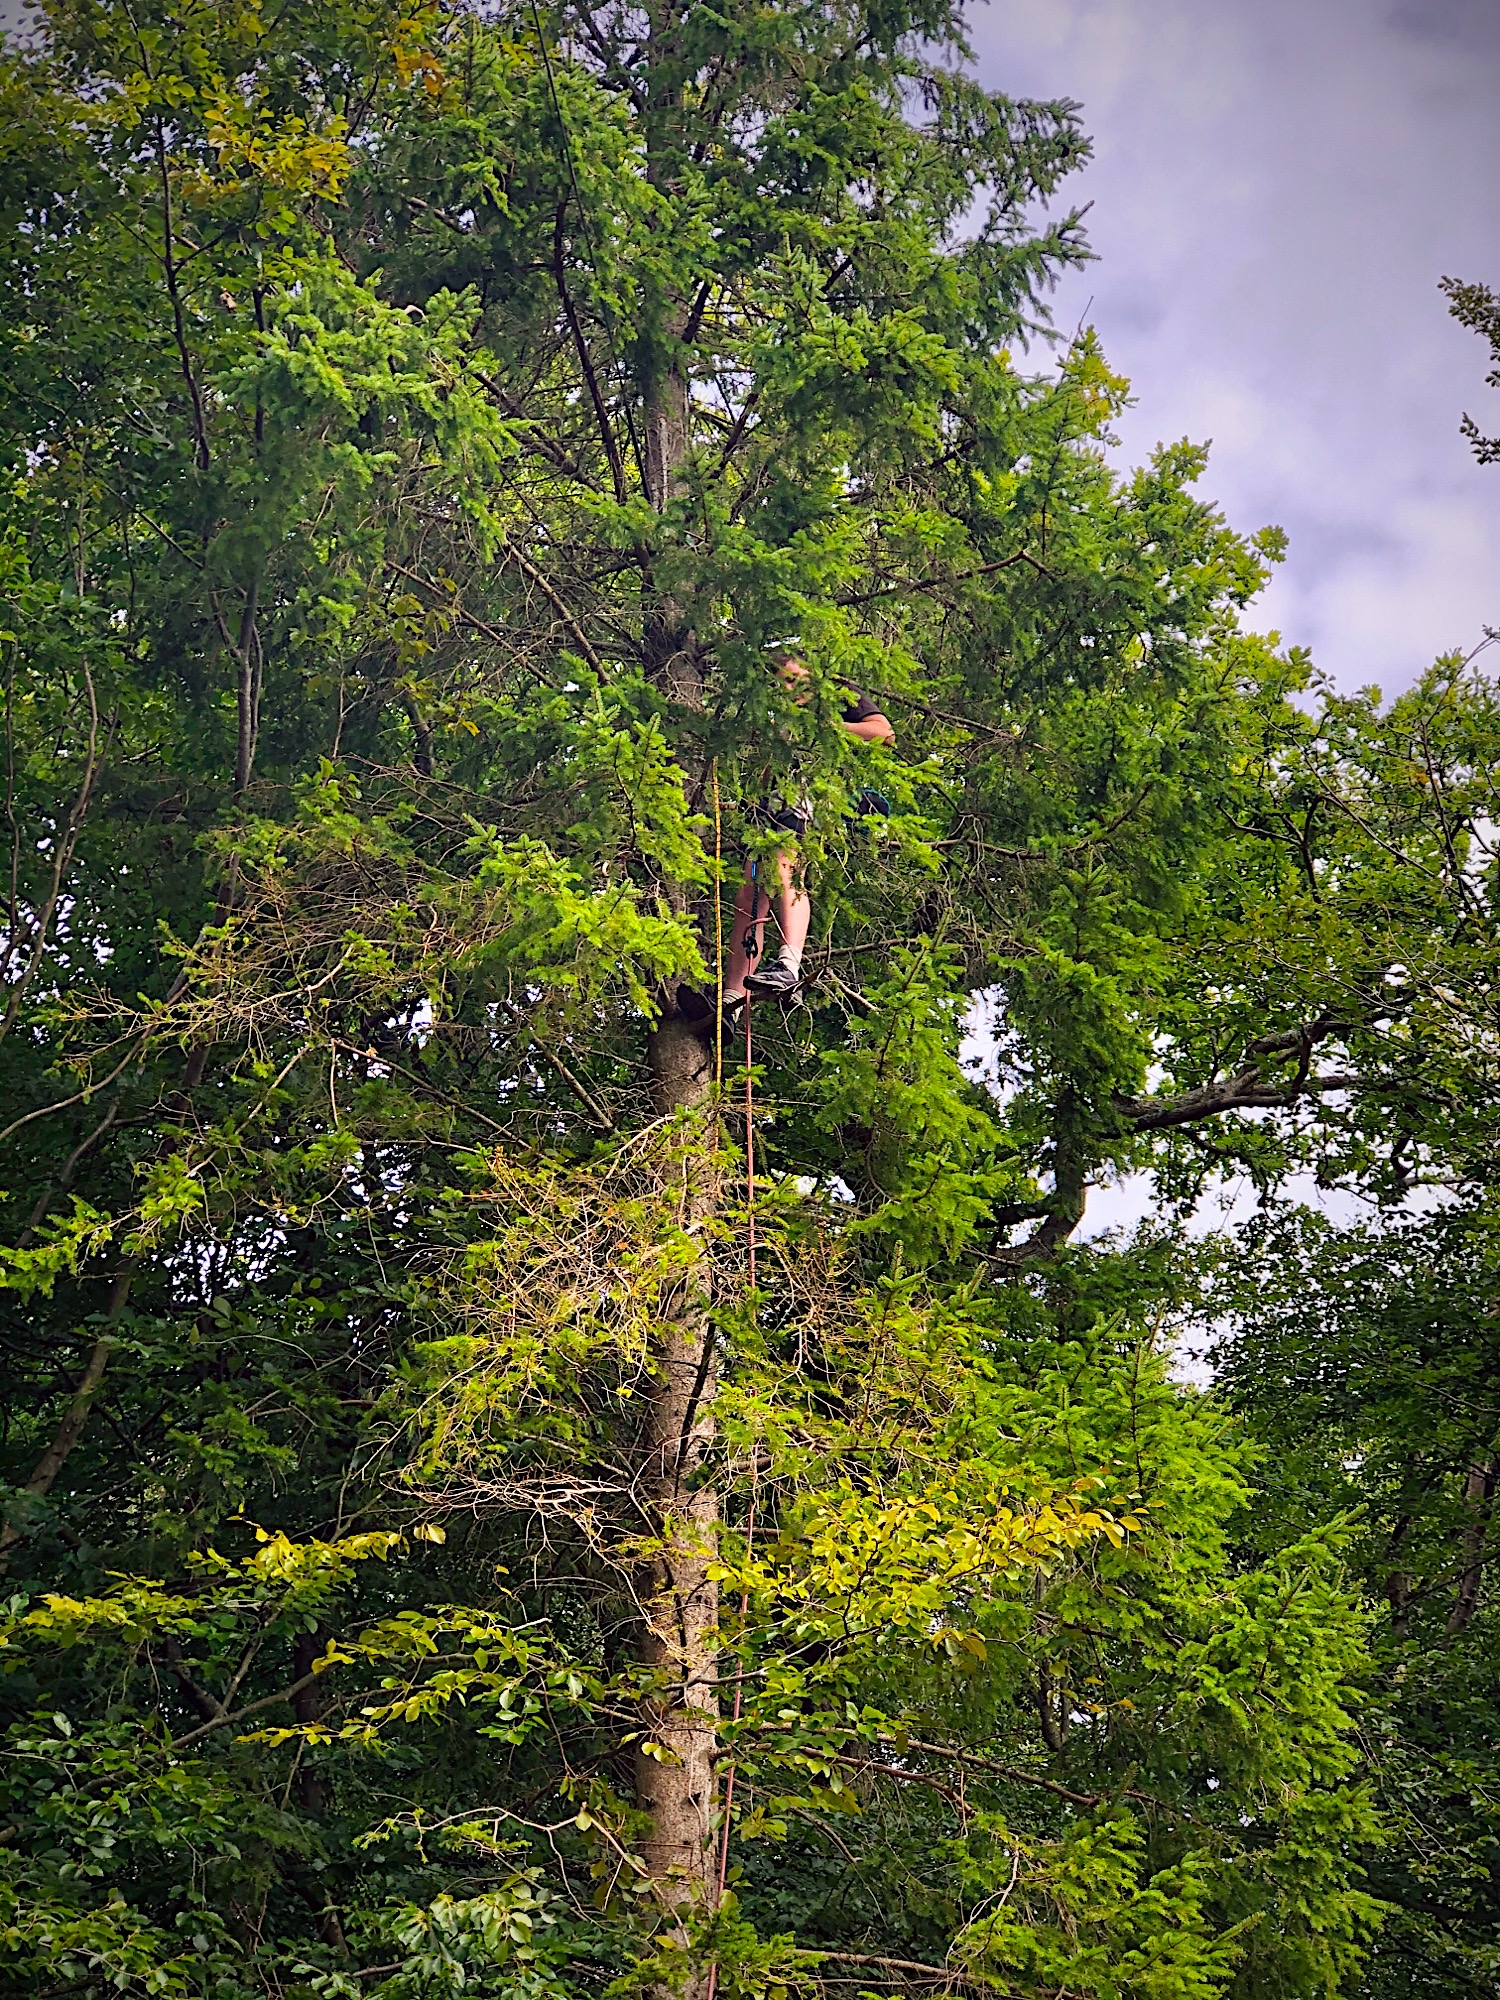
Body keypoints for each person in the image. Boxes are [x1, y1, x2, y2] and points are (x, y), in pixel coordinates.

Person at [720, 651, 895, 1006]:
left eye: (794, 680)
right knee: (749, 894)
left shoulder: (836, 693)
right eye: (781, 684)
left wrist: (828, 728)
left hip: (813, 796)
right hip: (771, 803)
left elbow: (883, 732)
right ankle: (732, 998)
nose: (788, 689)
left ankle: (789, 964)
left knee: (785, 866)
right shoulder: (777, 717)